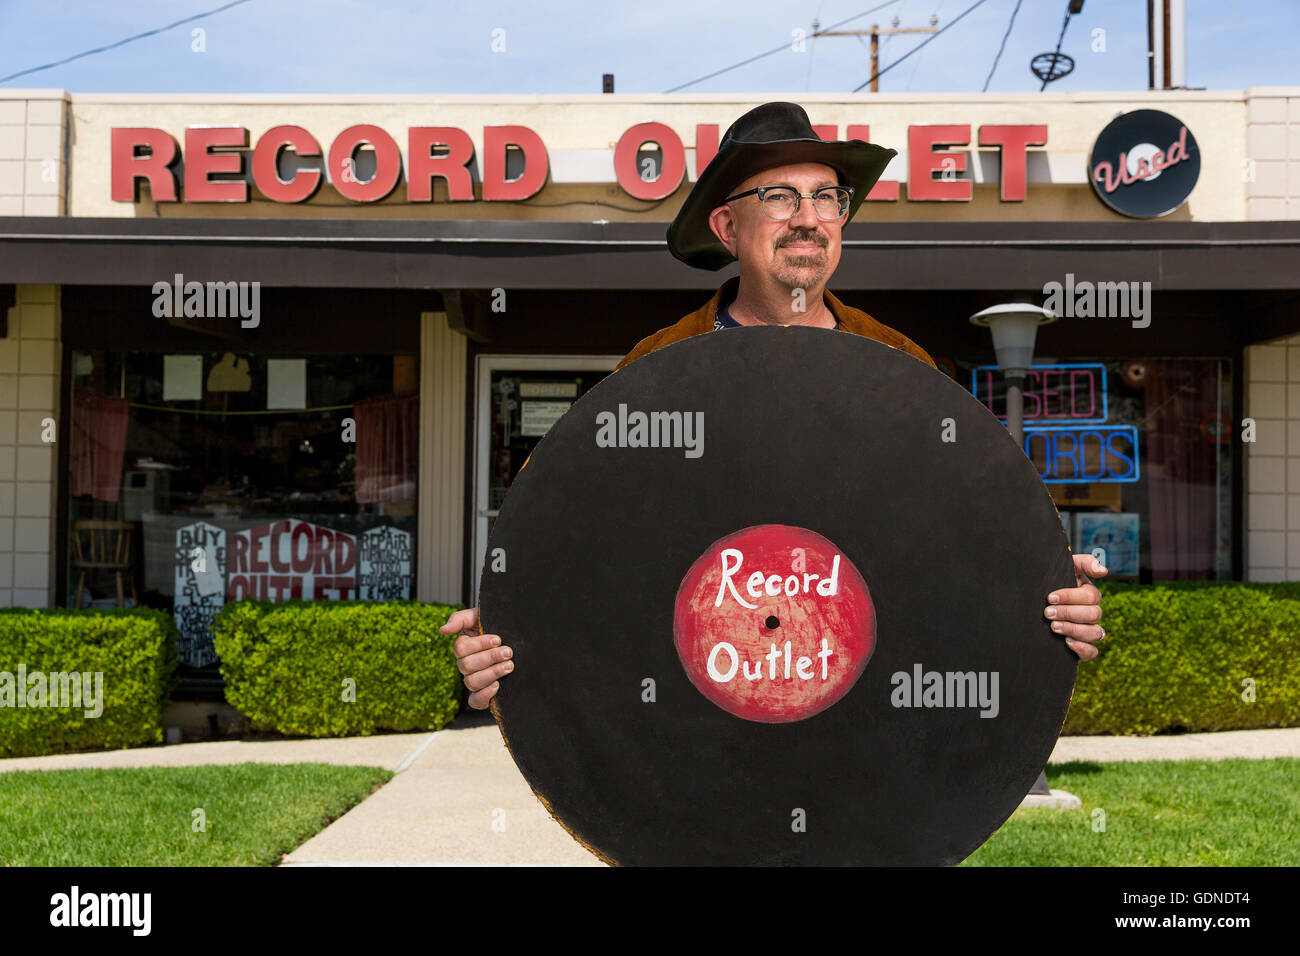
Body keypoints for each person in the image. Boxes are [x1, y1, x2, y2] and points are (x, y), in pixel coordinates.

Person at [443, 102, 1106, 710]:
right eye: (779, 196)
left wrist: (1037, 574)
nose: (809, 218)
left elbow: (953, 530)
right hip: (698, 739)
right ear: (728, 226)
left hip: (863, 739)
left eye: (826, 197)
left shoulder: (901, 365)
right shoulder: (657, 368)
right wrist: (511, 616)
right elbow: (586, 532)